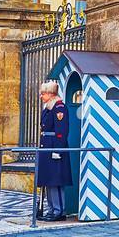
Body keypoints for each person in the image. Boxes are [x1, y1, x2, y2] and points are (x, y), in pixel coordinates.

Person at [37, 81, 71, 222]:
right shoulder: (49, 107)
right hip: (47, 146)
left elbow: (61, 132)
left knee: (55, 181)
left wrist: (58, 149)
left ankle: (59, 211)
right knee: (49, 180)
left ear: (51, 94)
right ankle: (52, 209)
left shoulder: (59, 108)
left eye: (43, 94)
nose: (41, 96)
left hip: (54, 146)